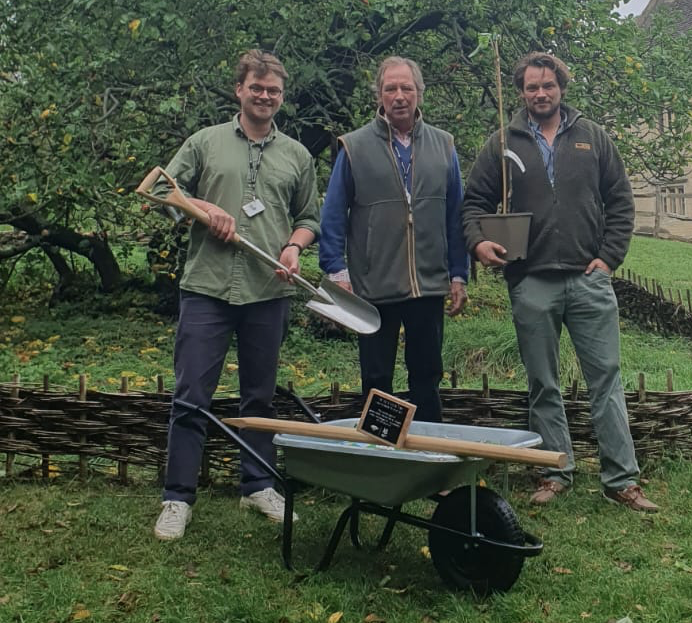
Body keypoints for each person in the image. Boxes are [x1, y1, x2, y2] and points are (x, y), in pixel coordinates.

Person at [462, 51, 658, 512]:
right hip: (531, 281)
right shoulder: (502, 142)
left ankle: (622, 480)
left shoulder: (592, 137)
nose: (540, 93)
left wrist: (609, 258)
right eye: (531, 87)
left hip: (588, 279)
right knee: (542, 382)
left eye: (548, 85)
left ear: (561, 87)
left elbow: (621, 202)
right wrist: (478, 244)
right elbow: (472, 204)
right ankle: (555, 471)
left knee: (605, 379)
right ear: (522, 92)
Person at [153, 50, 321, 540]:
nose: (265, 96)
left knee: (259, 397)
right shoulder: (204, 143)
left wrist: (293, 247)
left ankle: (257, 484)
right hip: (206, 288)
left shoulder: (296, 155)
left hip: (268, 289)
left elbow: (309, 218)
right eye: (257, 87)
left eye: (274, 91)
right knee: (191, 397)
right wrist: (201, 206)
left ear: (281, 97)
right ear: (240, 90)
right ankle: (177, 497)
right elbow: (160, 191)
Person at [318, 56, 468, 422]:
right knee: (376, 377)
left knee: (428, 374)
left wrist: (458, 274)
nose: (399, 96)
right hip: (373, 285)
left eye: (407, 88)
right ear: (380, 96)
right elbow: (334, 214)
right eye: (391, 88)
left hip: (428, 284)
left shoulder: (444, 145)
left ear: (419, 94)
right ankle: (381, 460)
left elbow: (456, 215)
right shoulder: (353, 146)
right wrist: (336, 272)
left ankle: (429, 459)